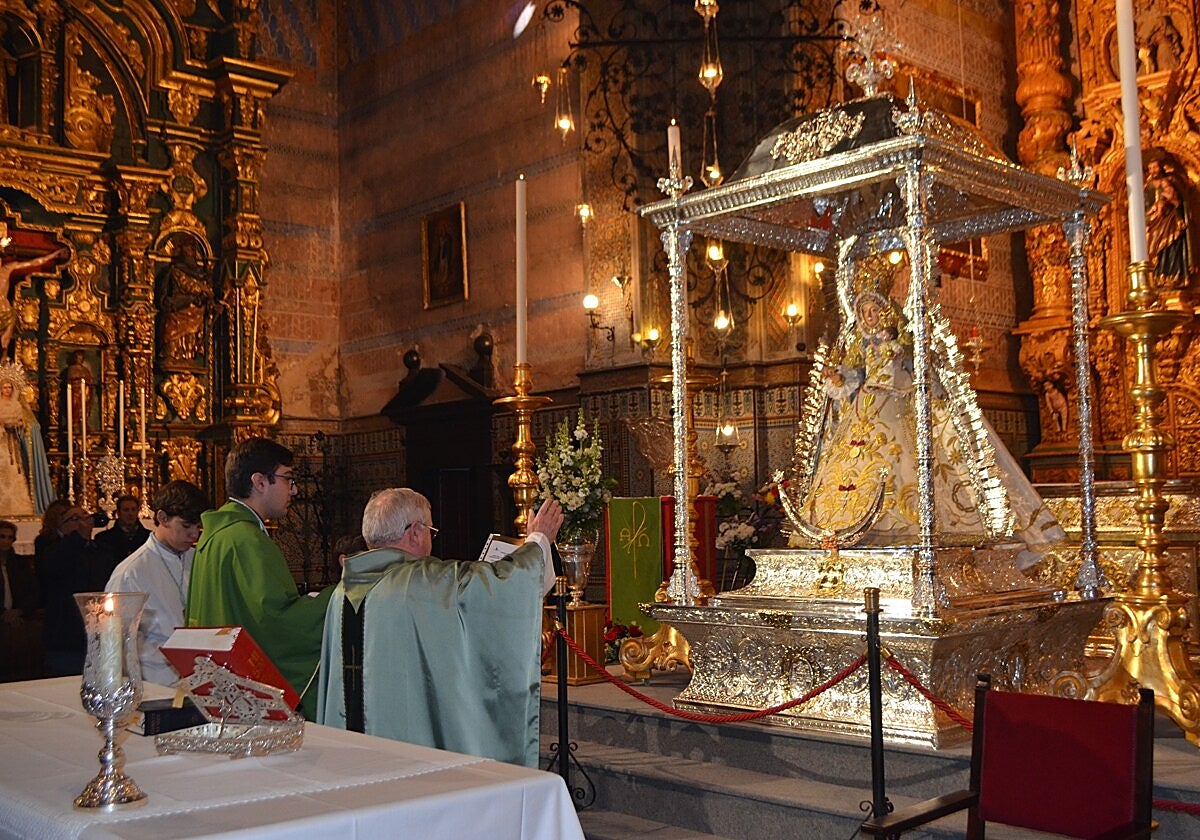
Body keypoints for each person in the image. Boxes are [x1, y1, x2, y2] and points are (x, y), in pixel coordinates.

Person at [316, 489, 563, 768]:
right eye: (430, 532)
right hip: (407, 761)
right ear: (414, 533)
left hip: (352, 754)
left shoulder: (341, 592)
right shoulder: (423, 582)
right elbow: (506, 589)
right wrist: (539, 540)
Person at [186, 437, 332, 714]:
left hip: (222, 685)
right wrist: (336, 597)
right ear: (260, 482)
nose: (295, 489)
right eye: (287, 479)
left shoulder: (215, 535)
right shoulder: (247, 540)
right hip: (247, 691)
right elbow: (278, 619)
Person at [105, 481, 210, 686]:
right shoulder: (131, 573)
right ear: (162, 518)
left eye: (198, 527)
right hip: (156, 683)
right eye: (186, 526)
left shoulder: (198, 559)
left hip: (200, 679)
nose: (194, 534)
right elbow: (116, 642)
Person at [35, 503, 116, 676]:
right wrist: (77, 538)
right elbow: (55, 567)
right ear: (61, 526)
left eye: (84, 517)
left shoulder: (101, 550)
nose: (82, 523)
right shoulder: (51, 549)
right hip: (66, 634)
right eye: (74, 519)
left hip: (98, 632)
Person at [0, 361, 53, 516]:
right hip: (2, 443)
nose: (7, 390)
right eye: (4, 387)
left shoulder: (17, 405)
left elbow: (26, 423)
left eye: (10, 387)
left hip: (13, 446)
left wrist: (19, 425)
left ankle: (18, 508)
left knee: (15, 473)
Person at [0, 234, 67, 357]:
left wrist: (52, 255)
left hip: (5, 310)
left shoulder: (6, 269)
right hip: (4, 309)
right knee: (4, 343)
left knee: (4, 344)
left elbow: (34, 262)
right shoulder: (6, 269)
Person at [0, 519, 41, 681]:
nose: (6, 541)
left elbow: (33, 592)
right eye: (2, 537)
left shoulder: (19, 564)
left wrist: (20, 611)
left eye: (10, 538)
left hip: (19, 619)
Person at [94, 495, 150, 562]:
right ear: (118, 513)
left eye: (133, 509)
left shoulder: (149, 537)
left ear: (138, 511)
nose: (130, 513)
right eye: (126, 510)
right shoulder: (104, 538)